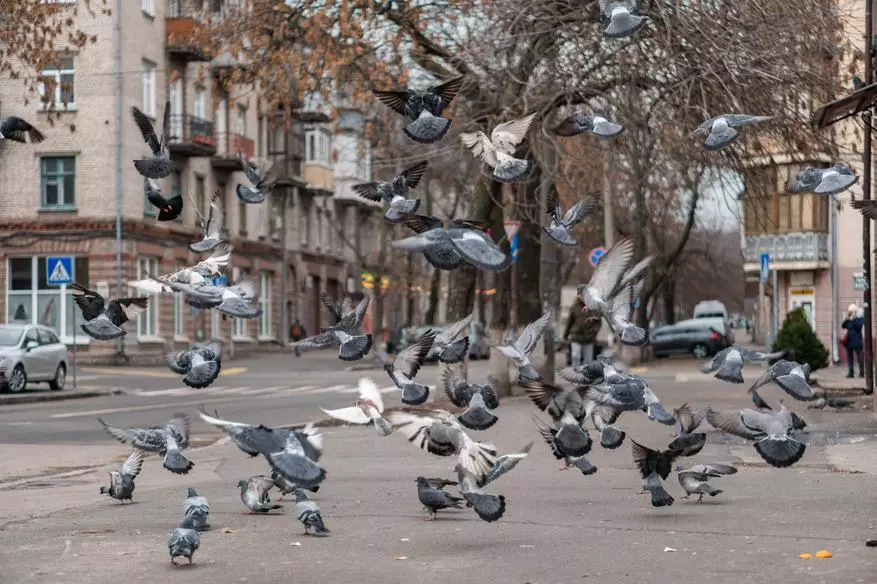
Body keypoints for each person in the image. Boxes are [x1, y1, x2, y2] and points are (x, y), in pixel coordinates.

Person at [562, 297, 602, 367]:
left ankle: (586, 375)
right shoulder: (574, 307)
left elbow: (598, 321)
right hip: (576, 337)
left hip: (589, 338)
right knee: (575, 356)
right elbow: (569, 323)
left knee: (588, 360)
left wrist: (594, 332)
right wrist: (565, 336)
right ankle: (575, 373)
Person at [841, 304, 865, 378]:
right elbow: (843, 326)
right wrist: (847, 319)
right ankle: (851, 373)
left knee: (859, 358)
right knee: (850, 358)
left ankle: (861, 373)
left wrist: (853, 319)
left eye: (852, 311)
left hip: (857, 341)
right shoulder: (849, 319)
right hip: (849, 342)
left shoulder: (860, 318)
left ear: (855, 311)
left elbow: (858, 326)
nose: (851, 313)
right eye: (850, 311)